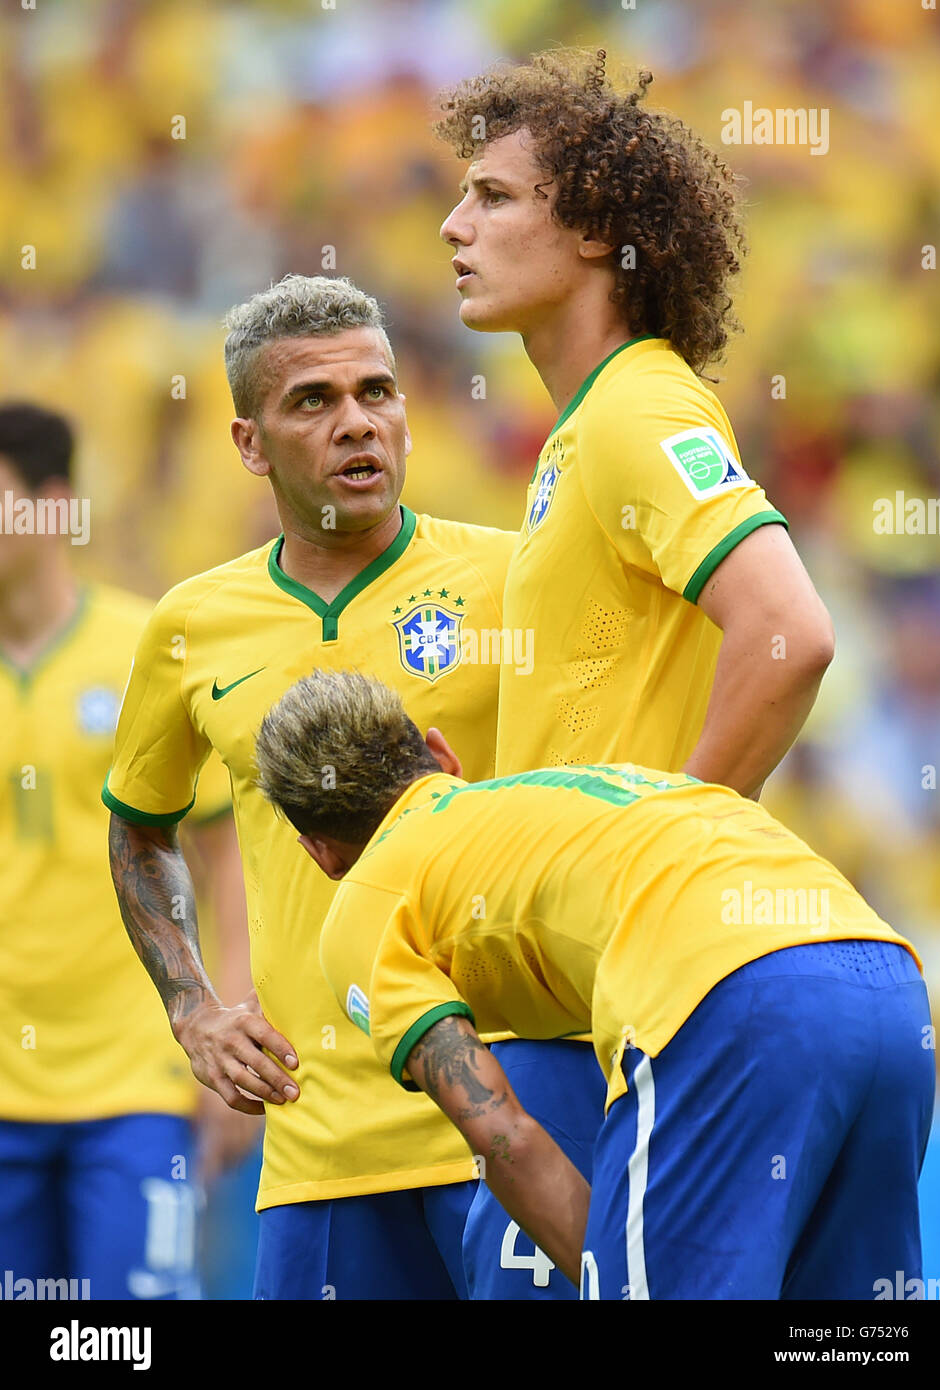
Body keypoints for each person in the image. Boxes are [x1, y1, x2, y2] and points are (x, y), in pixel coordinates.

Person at [433, 48, 836, 1296]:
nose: (453, 225)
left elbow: (789, 633)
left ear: (600, 232)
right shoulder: (581, 428)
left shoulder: (634, 410)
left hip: (631, 1006)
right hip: (603, 1001)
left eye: (495, 197)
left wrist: (659, 857)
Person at [254, 669, 935, 1301]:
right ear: (441, 754)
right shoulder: (570, 790)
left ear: (317, 851)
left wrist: (619, 1278)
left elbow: (505, 1138)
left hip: (725, 993)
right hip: (884, 974)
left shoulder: (365, 905)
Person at [103, 275, 516, 1300]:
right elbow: (141, 825)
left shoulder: (514, 580)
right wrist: (193, 1004)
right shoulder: (193, 624)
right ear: (249, 444)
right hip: (318, 1145)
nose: (356, 423)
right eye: (313, 402)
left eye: (376, 392)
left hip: (509, 1119)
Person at [0, 402, 248, 1300]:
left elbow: (228, 860)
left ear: (53, 505)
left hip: (136, 1082)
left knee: (120, 1342)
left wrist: (229, 1030)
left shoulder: (147, 647)